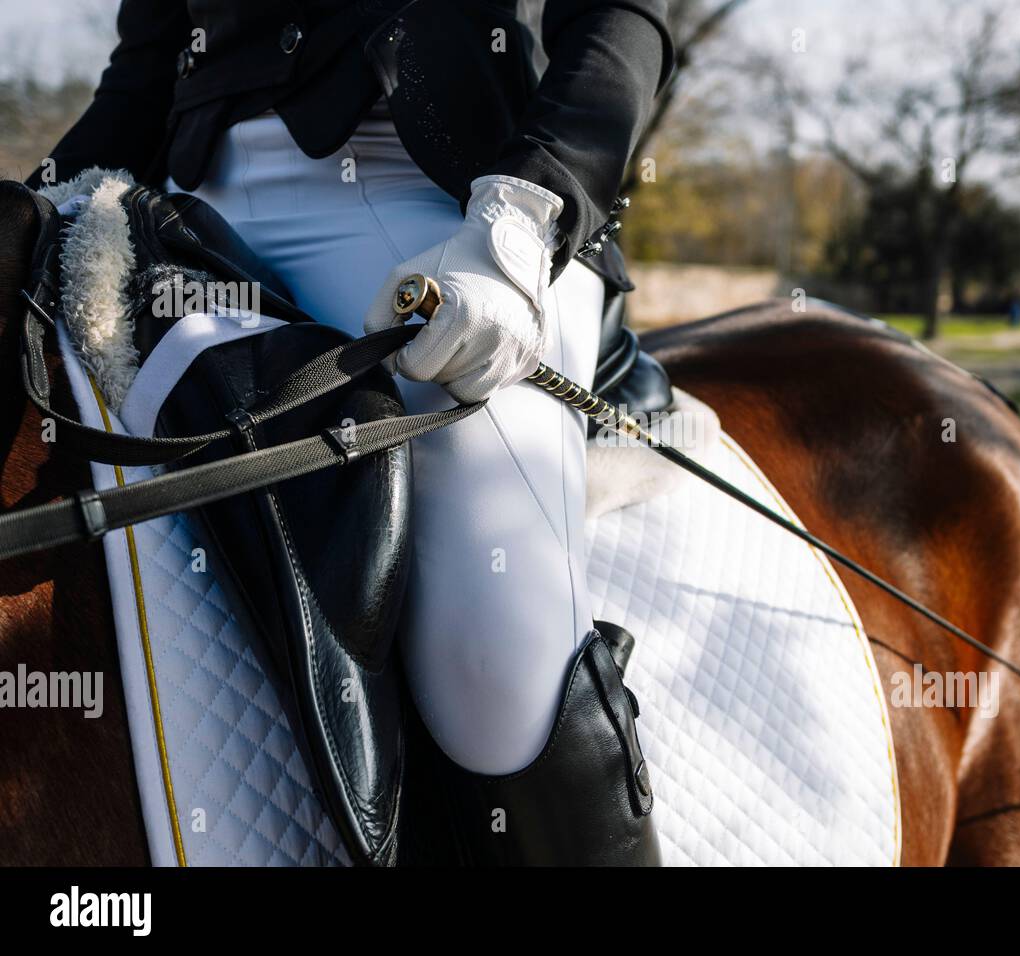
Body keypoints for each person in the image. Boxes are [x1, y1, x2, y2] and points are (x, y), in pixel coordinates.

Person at [32, 0, 673, 865]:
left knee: (496, 669)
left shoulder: (493, 215)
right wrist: (36, 200)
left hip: (446, 209)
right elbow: (147, 65)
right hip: (184, 228)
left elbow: (619, 16)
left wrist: (523, 217)